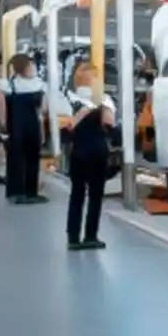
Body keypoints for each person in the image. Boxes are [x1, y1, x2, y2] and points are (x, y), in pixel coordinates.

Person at [65, 63, 115, 251]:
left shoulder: (70, 98)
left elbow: (67, 125)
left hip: (77, 151)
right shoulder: (102, 99)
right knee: (95, 195)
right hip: (97, 151)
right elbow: (109, 122)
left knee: (77, 194)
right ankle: (91, 235)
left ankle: (73, 237)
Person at [0, 54, 48, 204]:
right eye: (29, 66)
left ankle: (31, 192)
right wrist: (3, 124)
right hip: (16, 125)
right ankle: (16, 192)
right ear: (21, 68)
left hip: (33, 125)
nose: (33, 69)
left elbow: (42, 110)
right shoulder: (9, 85)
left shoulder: (39, 84)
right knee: (16, 157)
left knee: (33, 157)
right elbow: (1, 106)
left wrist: (43, 130)